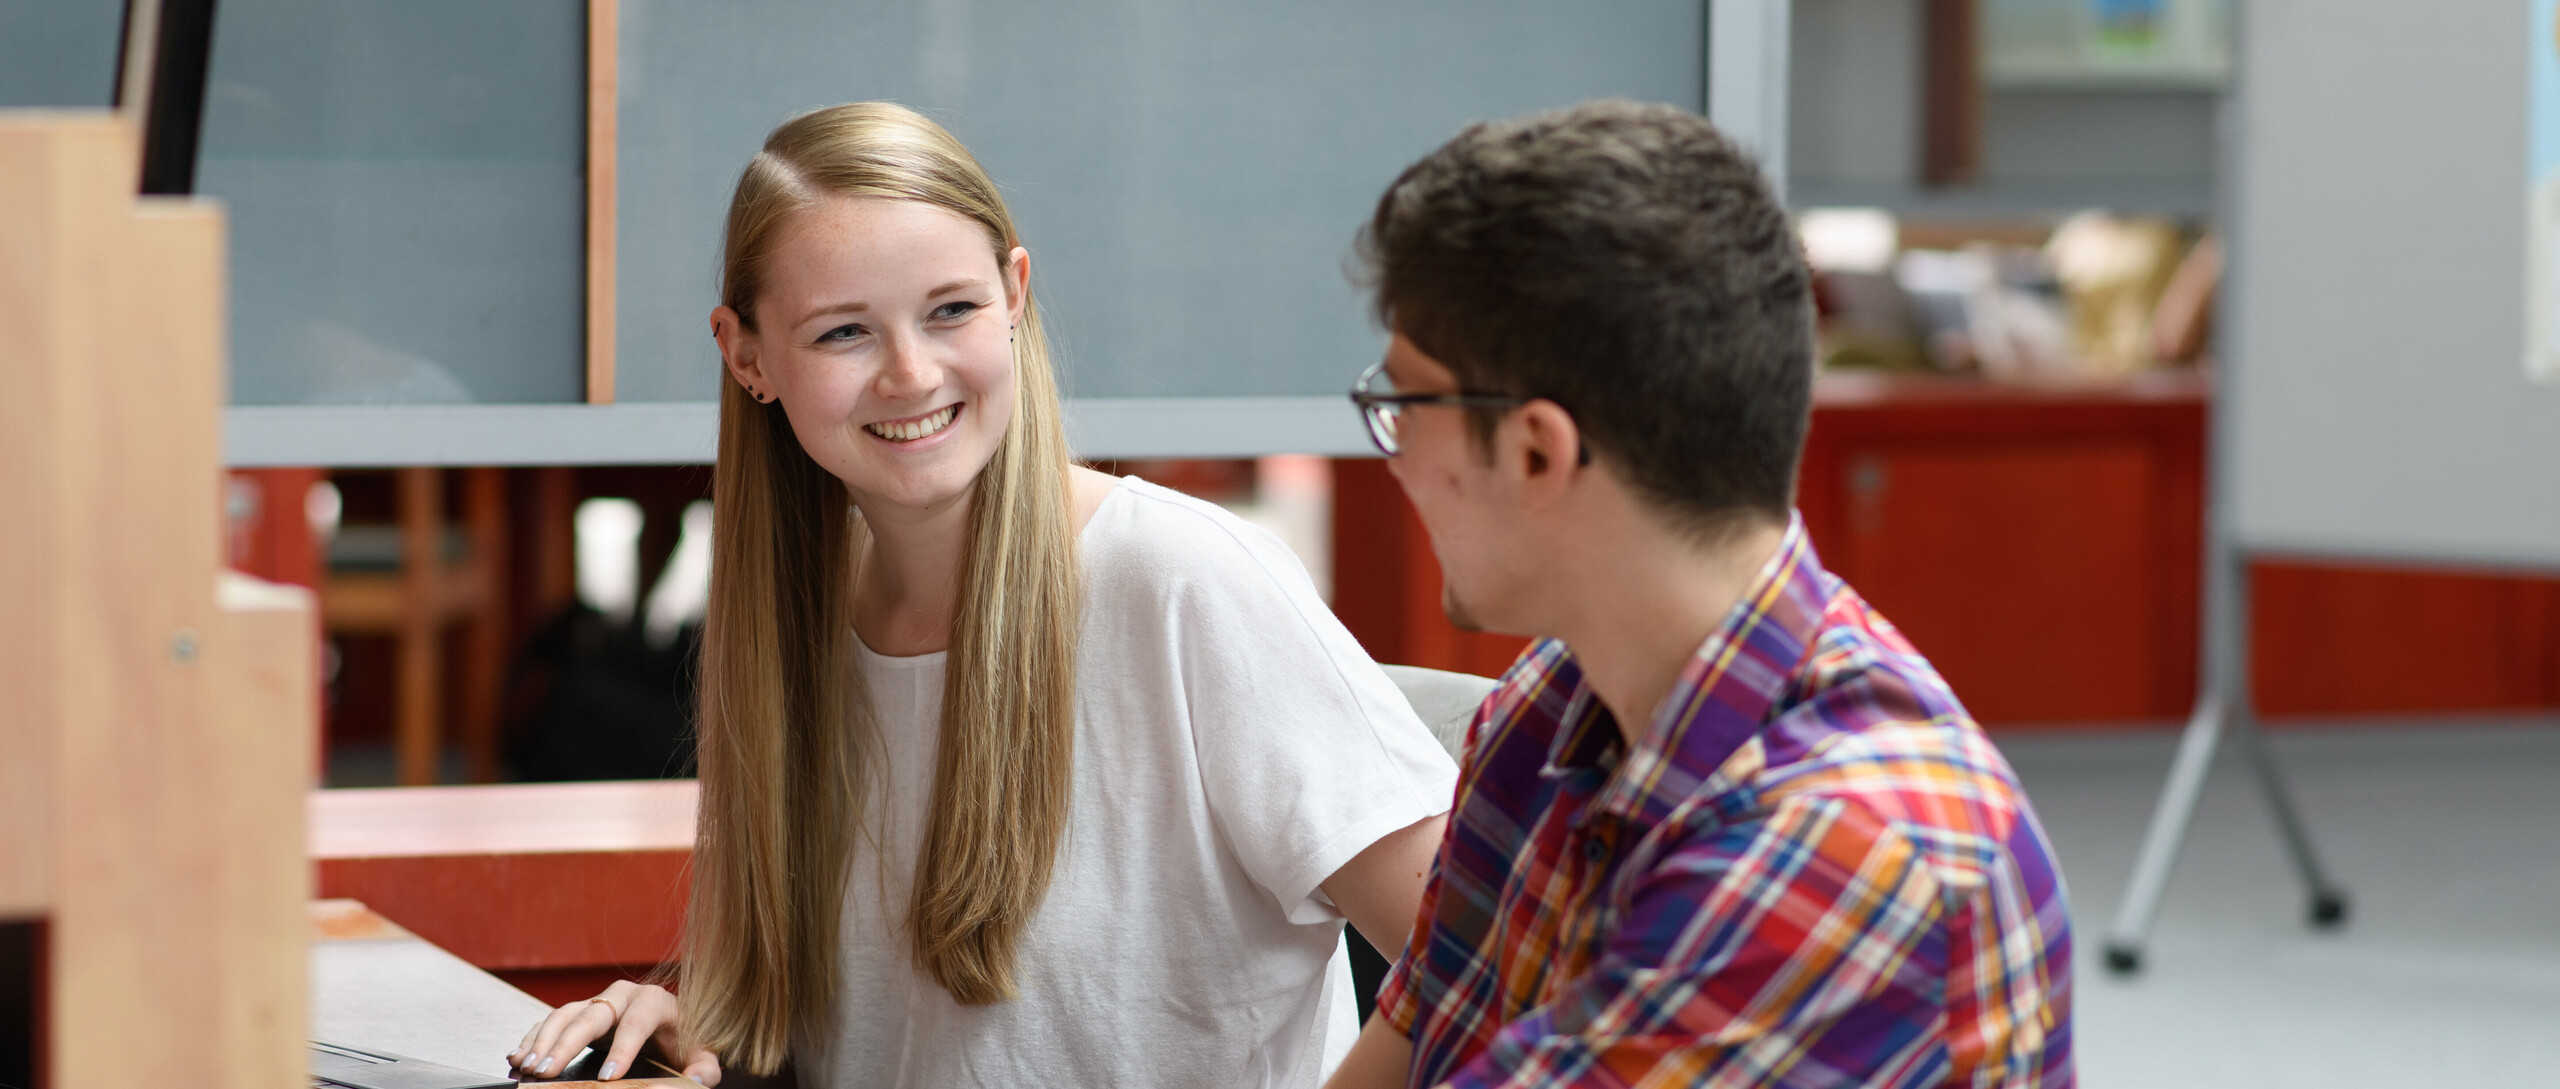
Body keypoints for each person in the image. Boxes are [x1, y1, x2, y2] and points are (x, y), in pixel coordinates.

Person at [507, 102, 1458, 1088]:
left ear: (1014, 291)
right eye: (843, 332)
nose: (910, 373)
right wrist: (703, 1023)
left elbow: (1485, 968)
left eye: (950, 310)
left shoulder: (1186, 581)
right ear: (746, 354)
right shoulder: (796, 620)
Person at [1324, 100, 2074, 1088]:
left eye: (1404, 405)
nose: (1394, 454)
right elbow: (1418, 1035)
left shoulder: (1839, 862)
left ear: (1537, 450)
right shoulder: (1551, 704)